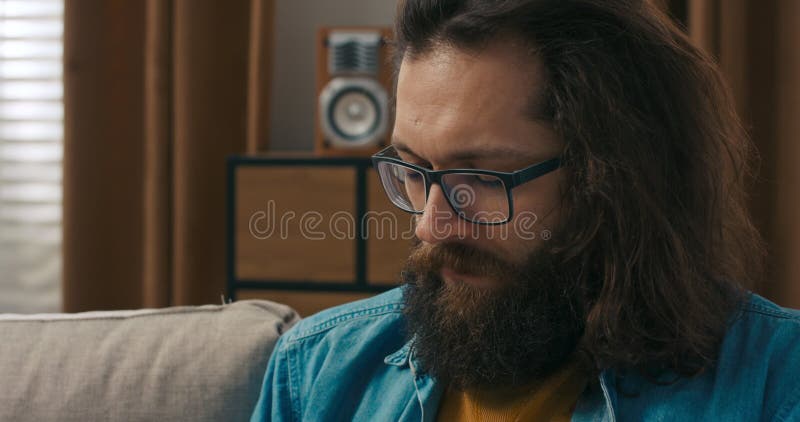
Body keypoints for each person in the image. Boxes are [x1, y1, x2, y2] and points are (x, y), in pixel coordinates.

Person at [251, 0, 800, 420]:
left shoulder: (776, 378)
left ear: (612, 177)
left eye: (482, 178)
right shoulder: (314, 372)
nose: (430, 223)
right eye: (415, 170)